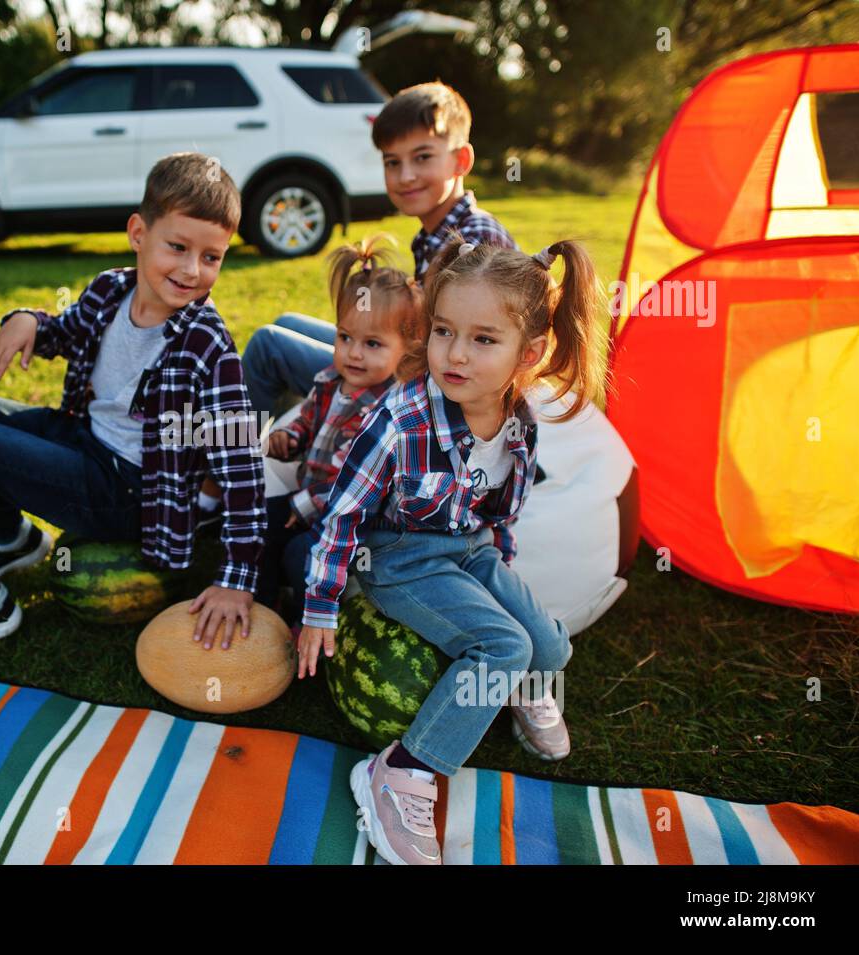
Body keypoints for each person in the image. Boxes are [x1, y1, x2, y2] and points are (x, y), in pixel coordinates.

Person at [297, 234, 608, 865]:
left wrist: (498, 575)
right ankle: (402, 770)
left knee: (547, 645)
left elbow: (503, 507)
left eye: (484, 339)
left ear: (532, 351)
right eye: (443, 331)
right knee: (504, 646)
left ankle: (520, 688)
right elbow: (342, 515)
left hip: (471, 550)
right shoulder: (401, 420)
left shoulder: (518, 418)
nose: (455, 354)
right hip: (401, 559)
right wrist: (321, 605)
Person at [0, 152, 266, 655]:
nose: (192, 270)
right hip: (84, 440)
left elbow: (242, 469)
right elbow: (63, 333)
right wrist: (27, 320)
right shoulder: (111, 290)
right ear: (138, 233)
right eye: (177, 246)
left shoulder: (208, 348)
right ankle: (9, 540)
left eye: (212, 257)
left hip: (131, 492)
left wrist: (237, 579)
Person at [238, 81, 517, 421]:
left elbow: (463, 352)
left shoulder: (473, 243)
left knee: (269, 347)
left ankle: (240, 466)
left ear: (461, 160)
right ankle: (300, 440)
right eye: (392, 162)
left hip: (431, 393)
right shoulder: (437, 233)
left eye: (422, 157)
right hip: (413, 361)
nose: (406, 176)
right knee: (286, 322)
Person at [254, 234, 425, 634]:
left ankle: (307, 622)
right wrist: (290, 438)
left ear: (408, 351)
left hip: (352, 522)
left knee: (301, 556)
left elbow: (354, 486)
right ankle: (260, 605)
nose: (353, 353)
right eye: (344, 337)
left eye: (372, 344)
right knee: (259, 525)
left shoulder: (388, 412)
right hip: (308, 503)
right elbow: (308, 418)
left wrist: (300, 508)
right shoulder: (331, 380)